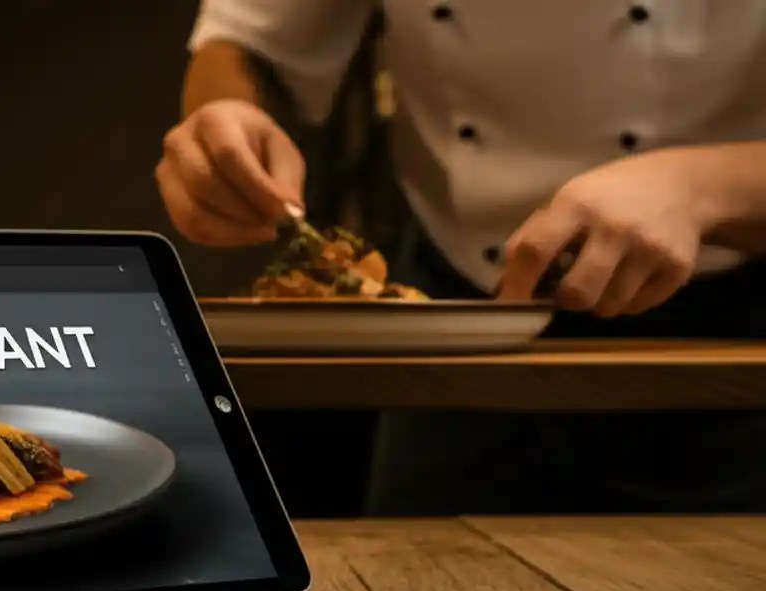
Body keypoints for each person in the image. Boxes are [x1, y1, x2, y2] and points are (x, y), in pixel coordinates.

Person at [157, 1, 766, 514]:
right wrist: (229, 122)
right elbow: (254, 41)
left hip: (730, 342)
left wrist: (703, 188)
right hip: (452, 332)